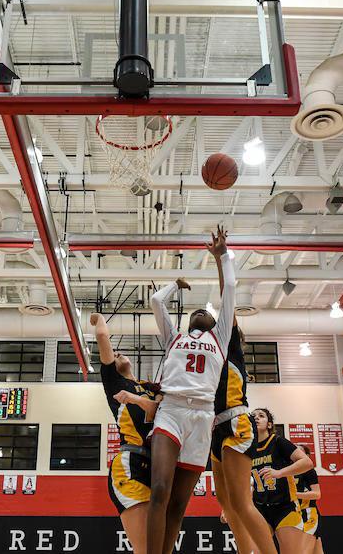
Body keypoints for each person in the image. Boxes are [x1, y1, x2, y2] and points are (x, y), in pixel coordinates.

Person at [147, 225, 236, 554]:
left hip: (202, 419)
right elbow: (156, 301)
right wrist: (175, 284)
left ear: (215, 324)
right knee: (159, 490)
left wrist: (223, 256)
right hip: (170, 412)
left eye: (207, 312)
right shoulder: (174, 338)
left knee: (177, 507)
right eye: (195, 311)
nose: (201, 310)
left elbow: (231, 293)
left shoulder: (220, 338)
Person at [209, 262, 276, 554]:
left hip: (236, 422)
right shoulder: (202, 358)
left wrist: (221, 259)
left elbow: (228, 299)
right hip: (215, 428)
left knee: (242, 503)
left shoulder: (230, 345)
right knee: (227, 504)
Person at [91, 312, 161, 553]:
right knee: (146, 549)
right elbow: (102, 335)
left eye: (122, 352)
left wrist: (140, 401)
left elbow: (159, 412)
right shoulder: (115, 382)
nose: (118, 353)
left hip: (155, 467)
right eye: (115, 353)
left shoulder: (148, 388)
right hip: (130, 464)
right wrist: (98, 318)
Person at [250, 408, 314, 553]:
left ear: (270, 424)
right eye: (253, 416)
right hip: (259, 507)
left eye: (261, 416)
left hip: (285, 507)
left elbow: (307, 463)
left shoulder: (278, 442)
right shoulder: (248, 448)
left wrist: (279, 473)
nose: (256, 418)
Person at [296, 444, 324, 554]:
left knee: (302, 551)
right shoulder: (288, 471)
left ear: (306, 456)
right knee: (317, 550)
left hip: (308, 513)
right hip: (295, 514)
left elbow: (317, 494)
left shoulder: (309, 471)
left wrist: (296, 495)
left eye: (299, 451)